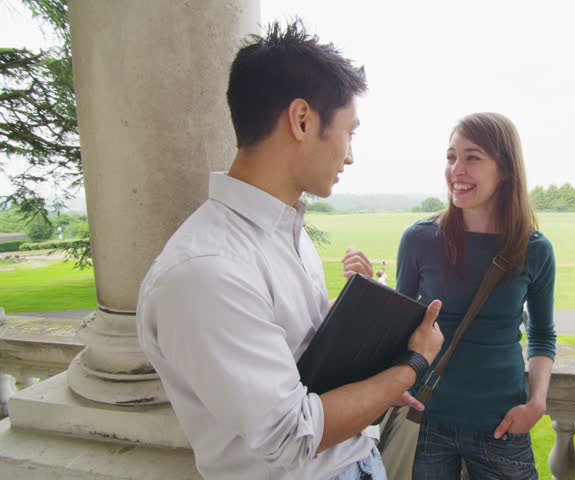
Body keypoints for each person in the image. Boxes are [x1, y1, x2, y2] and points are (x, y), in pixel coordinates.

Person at [136, 20, 444, 480]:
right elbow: (290, 437)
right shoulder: (205, 270)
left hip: (357, 460)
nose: (350, 155)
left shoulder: (287, 232)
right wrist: (411, 365)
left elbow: (298, 367)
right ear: (302, 120)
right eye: (349, 132)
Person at [395, 112, 557, 479]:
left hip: (502, 423)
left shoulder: (534, 249)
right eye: (451, 157)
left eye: (472, 157)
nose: (456, 169)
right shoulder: (420, 239)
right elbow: (398, 326)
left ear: (506, 169)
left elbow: (543, 334)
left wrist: (537, 402)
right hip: (426, 420)